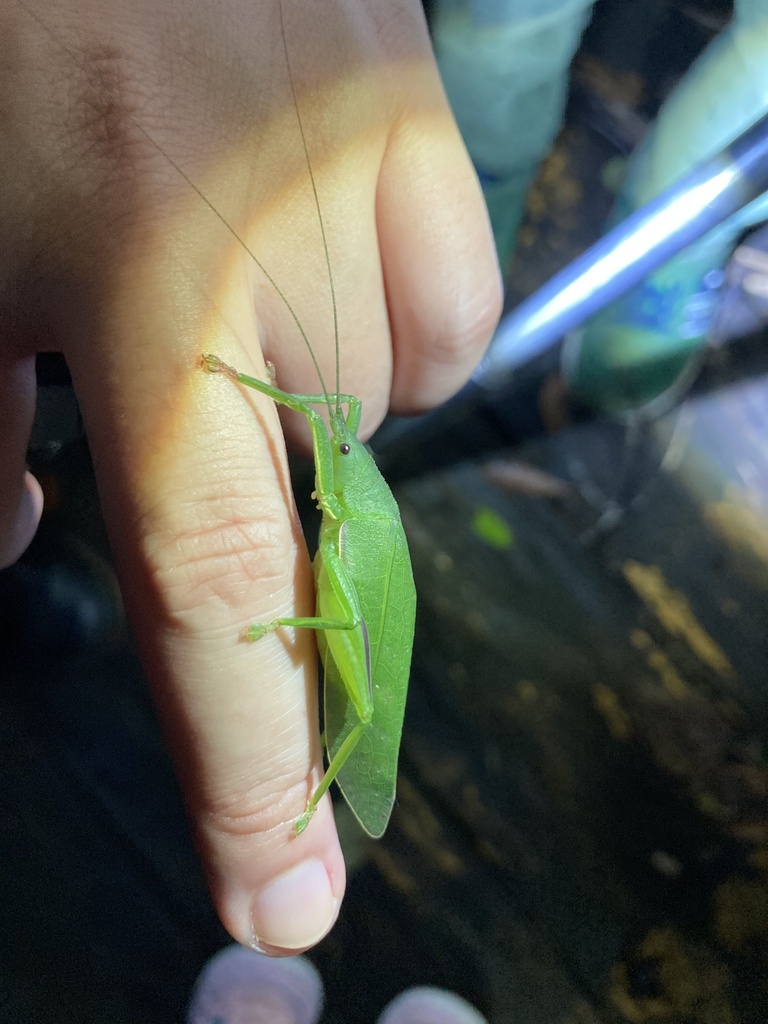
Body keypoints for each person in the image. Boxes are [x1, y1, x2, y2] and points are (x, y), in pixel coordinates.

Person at [0, 0, 501, 956]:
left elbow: (340, 613)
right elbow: (332, 427)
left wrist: (279, 623)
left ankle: (321, 793)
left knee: (350, 686)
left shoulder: (357, 519)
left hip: (357, 649)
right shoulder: (352, 490)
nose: (333, 450)